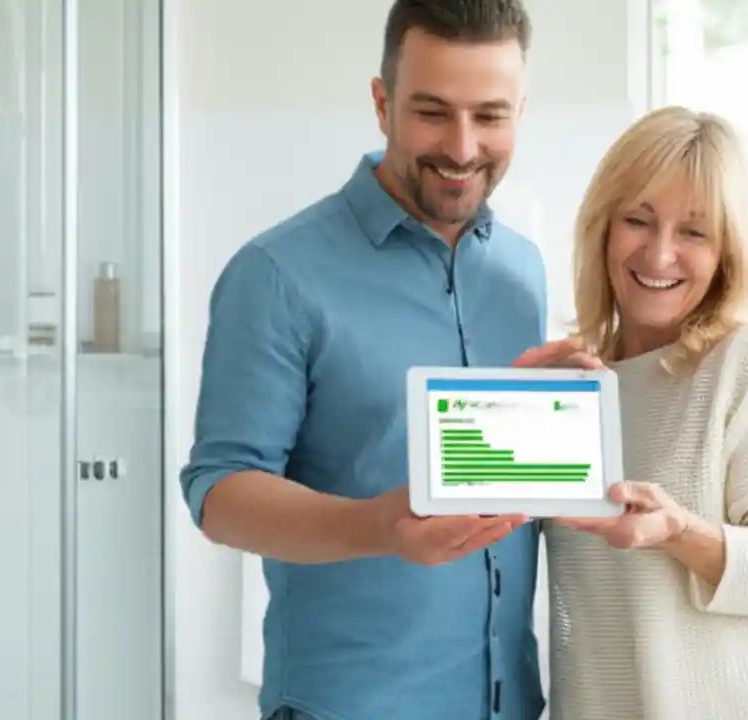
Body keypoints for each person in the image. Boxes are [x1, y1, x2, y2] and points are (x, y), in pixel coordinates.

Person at [178, 2, 582, 718]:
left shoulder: (522, 272)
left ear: (520, 109)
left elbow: (488, 479)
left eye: (490, 116)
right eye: (432, 112)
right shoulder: (275, 274)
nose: (462, 147)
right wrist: (380, 527)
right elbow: (220, 494)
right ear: (381, 101)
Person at [520, 106, 748, 719]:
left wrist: (680, 531)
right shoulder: (569, 383)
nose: (660, 254)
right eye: (638, 221)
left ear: (726, 249)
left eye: (693, 233)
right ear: (603, 229)